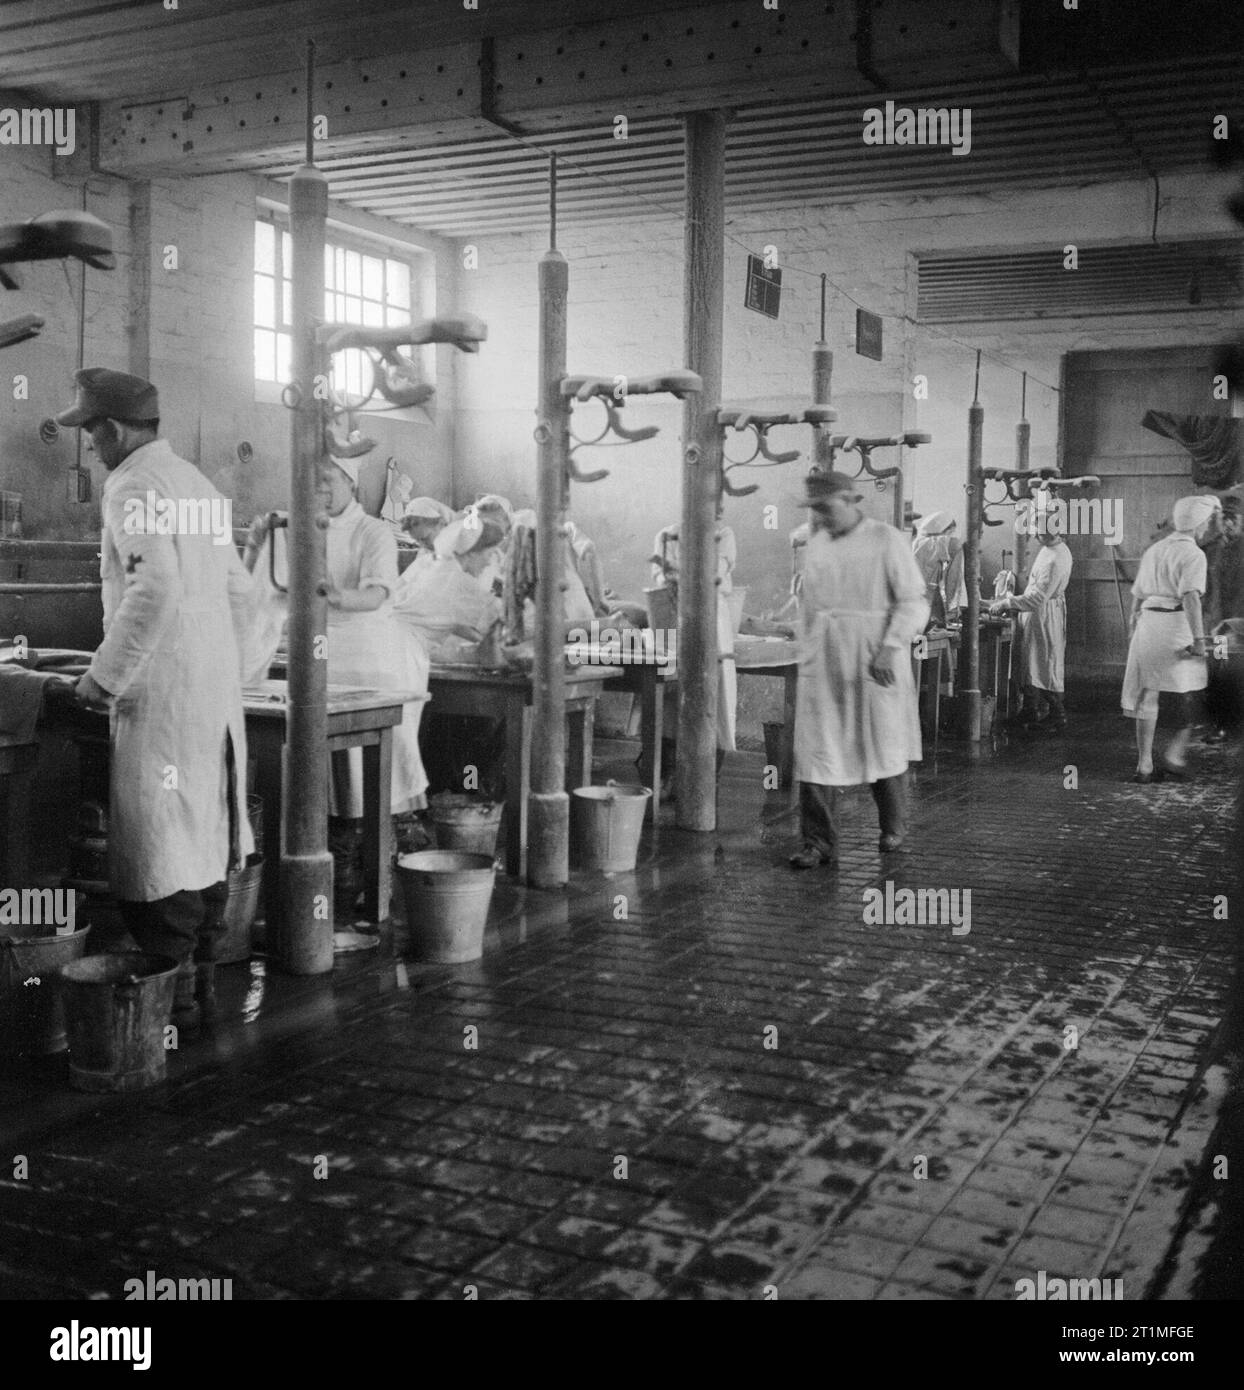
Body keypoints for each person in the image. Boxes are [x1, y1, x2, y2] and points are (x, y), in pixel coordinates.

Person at [56, 368, 255, 1033]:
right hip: (208, 693)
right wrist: (226, 668)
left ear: (113, 430)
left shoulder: (133, 484)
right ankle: (197, 992)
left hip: (161, 691)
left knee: (158, 843)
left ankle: (166, 1008)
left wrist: (103, 678)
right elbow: (242, 592)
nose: (90, 449)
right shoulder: (197, 484)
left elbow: (154, 588)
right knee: (204, 833)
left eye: (90, 434)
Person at [245, 458, 432, 906]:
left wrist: (337, 595)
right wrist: (256, 545)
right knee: (326, 768)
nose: (319, 489)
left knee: (373, 771)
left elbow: (377, 593)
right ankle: (337, 855)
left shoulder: (373, 531)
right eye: (311, 480)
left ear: (350, 481)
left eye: (327, 480)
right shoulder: (297, 528)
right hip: (316, 655)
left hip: (370, 658)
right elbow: (265, 587)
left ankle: (383, 859)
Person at [789, 471, 929, 869]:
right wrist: (802, 643)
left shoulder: (886, 538)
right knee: (816, 747)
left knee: (881, 740)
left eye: (826, 507)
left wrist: (891, 647)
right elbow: (811, 606)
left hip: (874, 654)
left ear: (851, 500)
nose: (820, 516)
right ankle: (817, 842)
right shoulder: (817, 544)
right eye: (815, 509)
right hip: (825, 657)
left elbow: (914, 602)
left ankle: (893, 826)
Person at [1121, 494, 1222, 782]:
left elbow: (1137, 594)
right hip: (1176, 627)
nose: (1207, 528)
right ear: (1200, 523)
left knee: (1148, 693)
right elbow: (1190, 598)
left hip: (1148, 624)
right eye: (1208, 522)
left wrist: (1133, 625)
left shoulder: (1155, 549)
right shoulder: (1194, 554)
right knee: (1192, 692)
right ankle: (1174, 756)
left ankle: (1144, 766)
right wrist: (1199, 639)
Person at [649, 509, 738, 797]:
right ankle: (667, 778)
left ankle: (706, 779)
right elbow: (661, 578)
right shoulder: (666, 535)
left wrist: (675, 571)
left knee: (715, 696)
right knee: (670, 699)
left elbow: (714, 576)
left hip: (713, 622)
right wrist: (671, 573)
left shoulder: (722, 535)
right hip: (674, 618)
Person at [989, 503, 1073, 732]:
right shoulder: (1049, 549)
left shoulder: (1056, 557)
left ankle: (1058, 715)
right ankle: (1029, 711)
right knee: (1029, 664)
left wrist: (1007, 603)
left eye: (1041, 532)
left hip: (1044, 614)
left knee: (1043, 664)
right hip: (1035, 614)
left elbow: (1038, 597)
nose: (1036, 536)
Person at [1201, 495, 1242, 743]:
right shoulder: (1209, 550)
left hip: (1241, 623)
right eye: (1223, 518)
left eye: (1233, 518)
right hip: (1219, 625)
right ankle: (1220, 724)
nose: (1228, 523)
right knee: (1219, 671)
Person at [912, 511, 967, 627]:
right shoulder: (932, 544)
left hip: (921, 598)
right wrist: (953, 605)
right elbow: (953, 579)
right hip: (921, 600)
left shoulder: (919, 542)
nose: (951, 535)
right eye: (950, 532)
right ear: (942, 530)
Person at [396, 495, 454, 588]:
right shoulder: (426, 550)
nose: (422, 545)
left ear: (441, 524)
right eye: (417, 540)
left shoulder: (464, 546)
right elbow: (406, 579)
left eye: (424, 539)